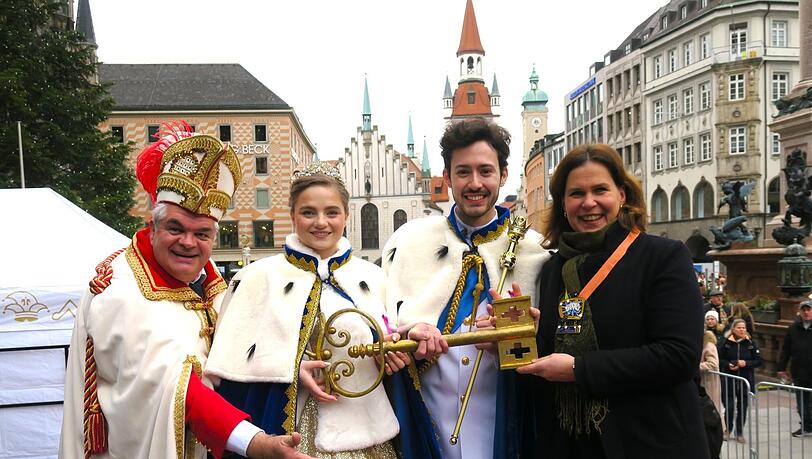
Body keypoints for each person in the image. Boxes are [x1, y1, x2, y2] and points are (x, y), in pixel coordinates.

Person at [60, 123, 307, 458]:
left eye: (202, 233)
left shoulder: (210, 282)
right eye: (175, 228)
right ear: (153, 226)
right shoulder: (121, 292)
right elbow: (174, 386)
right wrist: (256, 443)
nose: (189, 242)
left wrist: (286, 371)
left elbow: (236, 350)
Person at [516, 143, 709, 458]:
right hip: (570, 446)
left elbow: (679, 356)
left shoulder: (662, 256)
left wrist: (579, 369)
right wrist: (520, 339)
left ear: (621, 195)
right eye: (576, 193)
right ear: (563, 204)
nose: (588, 202)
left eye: (600, 190)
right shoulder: (554, 269)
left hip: (649, 442)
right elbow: (550, 364)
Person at [206, 162, 411, 458]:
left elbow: (395, 342)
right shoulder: (256, 278)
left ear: (346, 215)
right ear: (292, 216)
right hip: (293, 431)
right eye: (308, 212)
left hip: (368, 432)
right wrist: (289, 369)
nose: (321, 222)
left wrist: (390, 354)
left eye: (332, 212)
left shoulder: (375, 278)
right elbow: (227, 368)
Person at [382, 117, 549, 458]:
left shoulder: (535, 251)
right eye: (463, 172)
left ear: (503, 174)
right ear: (447, 177)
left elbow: (550, 351)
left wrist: (521, 338)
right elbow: (382, 327)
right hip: (426, 429)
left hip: (505, 430)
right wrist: (406, 337)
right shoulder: (409, 243)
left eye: (485, 171)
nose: (475, 183)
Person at [718, 318, 762, 443]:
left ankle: (739, 432)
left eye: (743, 328)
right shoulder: (725, 343)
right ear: (733, 329)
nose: (742, 330)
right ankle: (728, 430)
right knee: (730, 407)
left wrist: (746, 363)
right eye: (739, 328)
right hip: (729, 380)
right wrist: (728, 365)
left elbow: (758, 361)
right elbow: (719, 359)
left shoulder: (751, 343)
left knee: (742, 407)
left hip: (745, 380)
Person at [777, 299, 812, 437]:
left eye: (809, 309)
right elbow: (786, 350)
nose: (806, 312)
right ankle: (806, 426)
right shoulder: (793, 328)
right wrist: (781, 368)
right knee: (802, 402)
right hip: (799, 371)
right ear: (800, 312)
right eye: (804, 310)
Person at [700, 330, 725, 434]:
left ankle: (717, 430)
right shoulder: (701, 344)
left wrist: (697, 366)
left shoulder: (709, 346)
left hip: (709, 382)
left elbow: (713, 364)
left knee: (712, 407)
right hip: (704, 380)